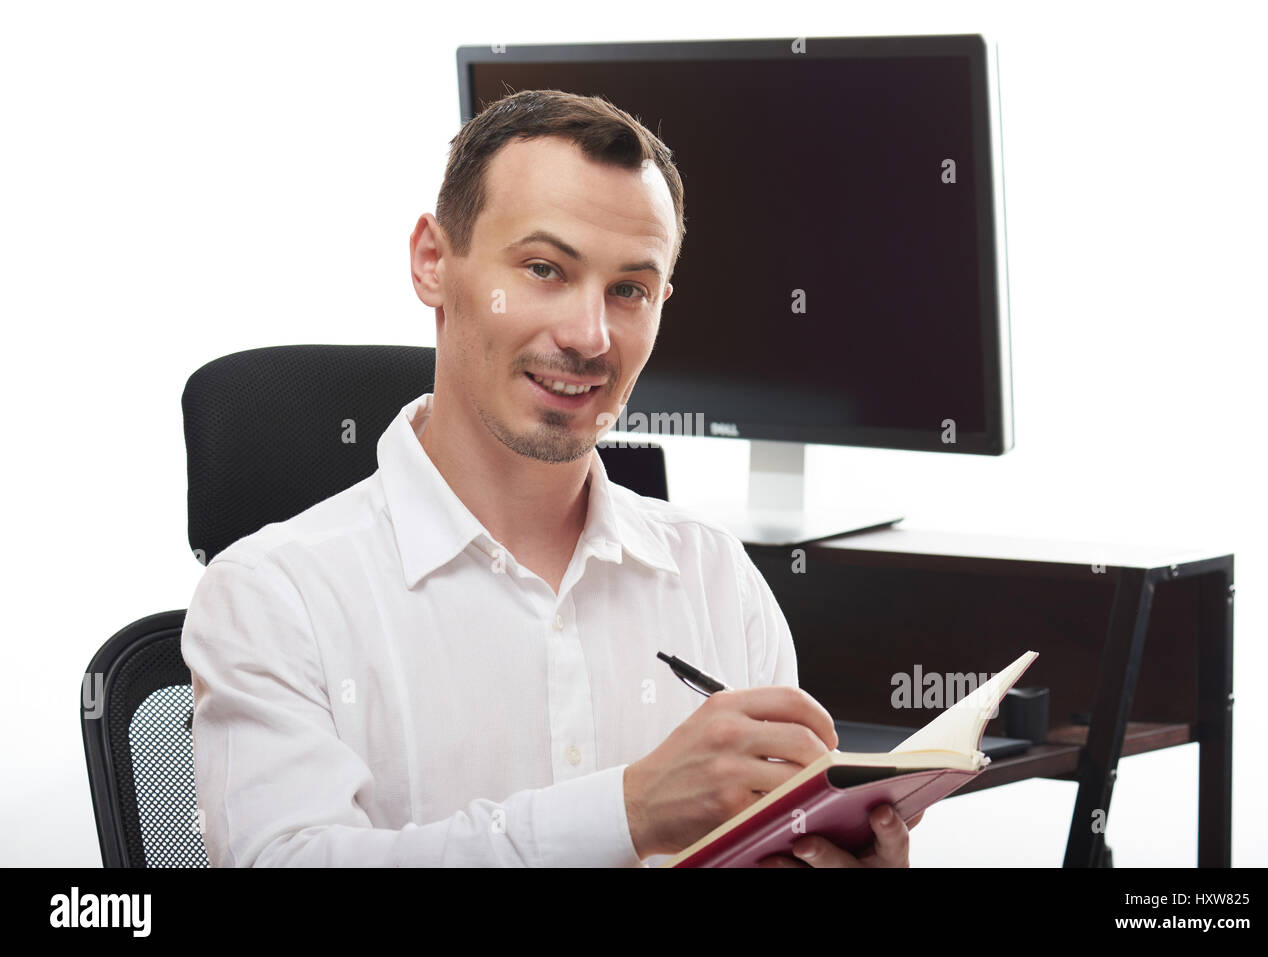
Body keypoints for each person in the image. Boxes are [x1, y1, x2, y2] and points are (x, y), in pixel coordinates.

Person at [182, 88, 921, 867]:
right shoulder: (272, 595)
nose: (588, 335)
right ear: (433, 261)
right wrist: (629, 811)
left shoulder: (715, 579)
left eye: (629, 290)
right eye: (544, 269)